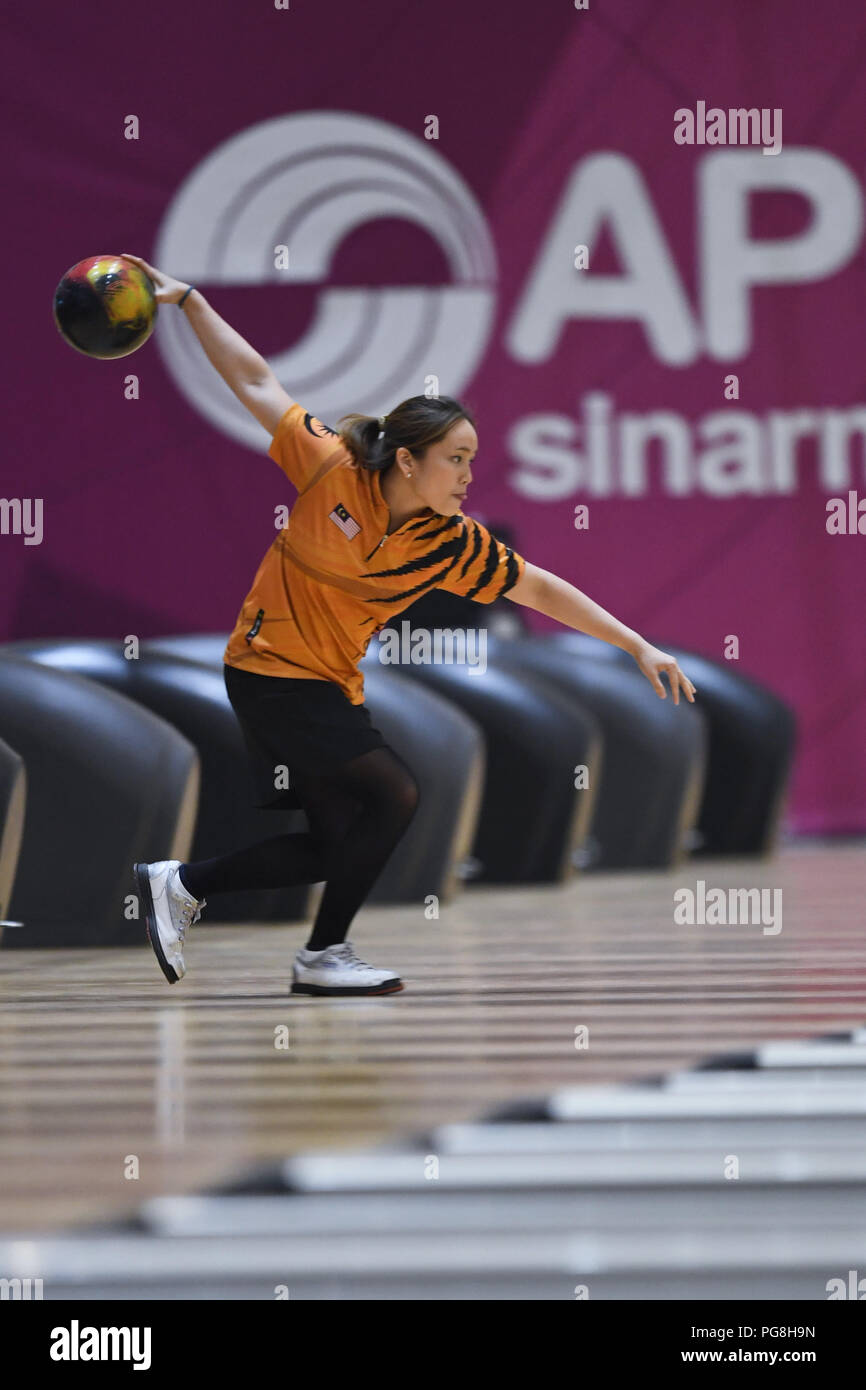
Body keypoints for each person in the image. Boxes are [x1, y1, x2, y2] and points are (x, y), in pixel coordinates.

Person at [124, 253, 696, 998]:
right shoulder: (330, 467)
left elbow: (543, 590)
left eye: (471, 462)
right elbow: (258, 381)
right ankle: (323, 953)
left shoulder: (452, 544)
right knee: (395, 795)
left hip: (328, 685)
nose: (467, 476)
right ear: (406, 460)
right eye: (455, 460)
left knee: (336, 843)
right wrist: (190, 299)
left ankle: (184, 885)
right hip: (268, 671)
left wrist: (638, 645)